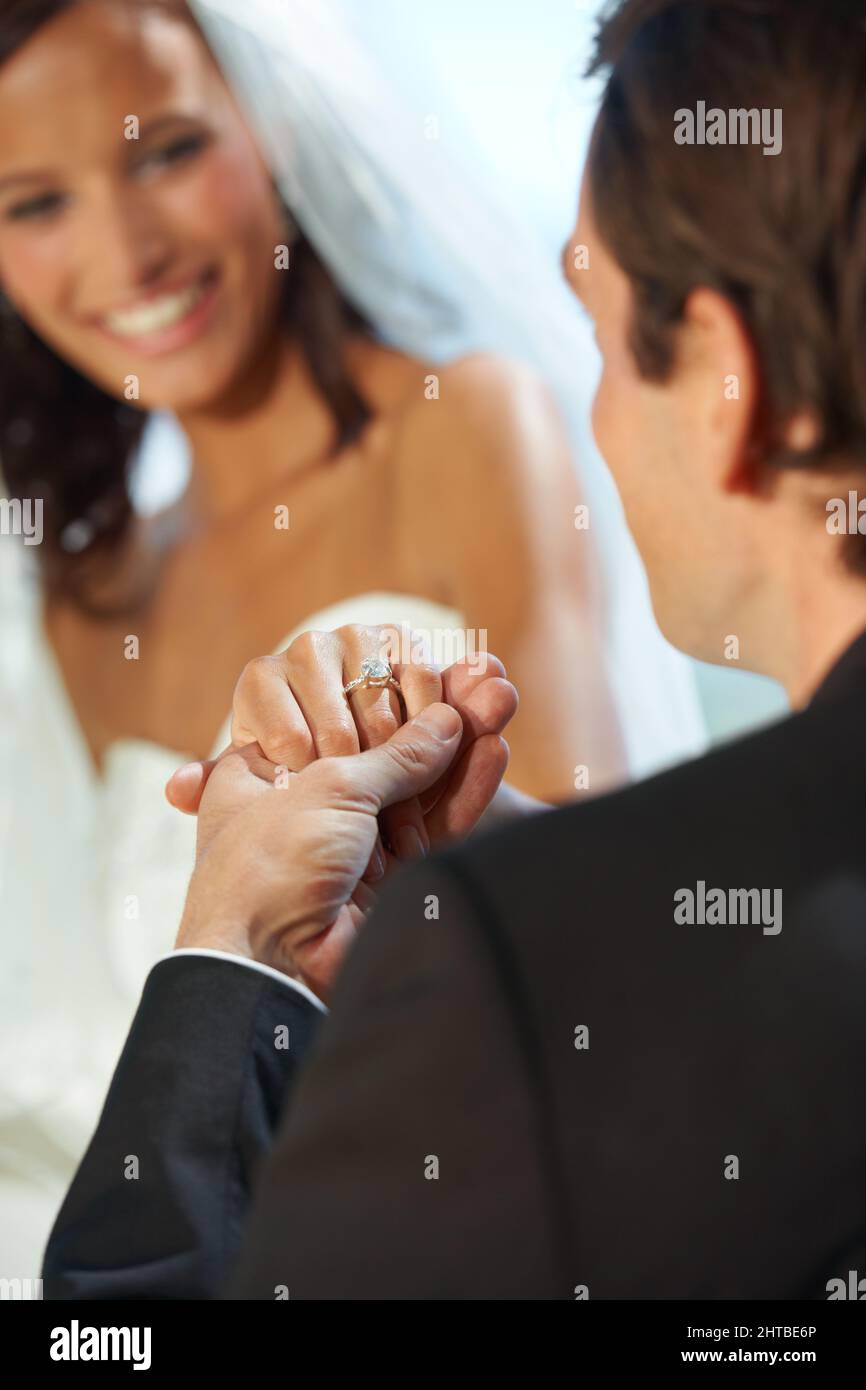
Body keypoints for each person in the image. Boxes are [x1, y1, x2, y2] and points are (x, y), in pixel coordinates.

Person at [47, 0, 866, 1300]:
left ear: (723, 375)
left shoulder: (468, 435)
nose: (124, 248)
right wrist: (506, 875)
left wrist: (234, 955)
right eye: (31, 201)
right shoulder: (71, 584)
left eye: (596, 334)